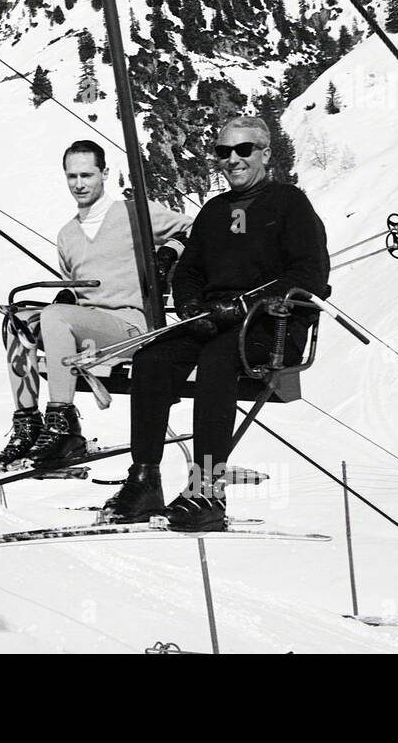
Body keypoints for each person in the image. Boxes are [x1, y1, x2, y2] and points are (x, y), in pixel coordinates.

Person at [100, 116, 330, 530]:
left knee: (218, 364)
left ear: (265, 153)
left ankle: (208, 488)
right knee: (155, 359)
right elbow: (189, 269)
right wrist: (189, 303)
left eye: (244, 150)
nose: (233, 160)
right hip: (215, 319)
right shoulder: (213, 211)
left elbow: (309, 273)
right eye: (224, 152)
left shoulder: (289, 203)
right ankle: (145, 477)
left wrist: (247, 306)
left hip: (270, 325)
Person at [0, 140, 192, 474]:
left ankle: (64, 427)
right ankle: (28, 425)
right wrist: (68, 297)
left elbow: (192, 227)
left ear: (104, 173)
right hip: (89, 327)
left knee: (54, 316)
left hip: (130, 326)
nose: (79, 184)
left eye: (87, 175)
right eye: (71, 176)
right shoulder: (67, 235)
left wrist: (169, 253)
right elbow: (75, 289)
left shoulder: (134, 213)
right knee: (18, 319)